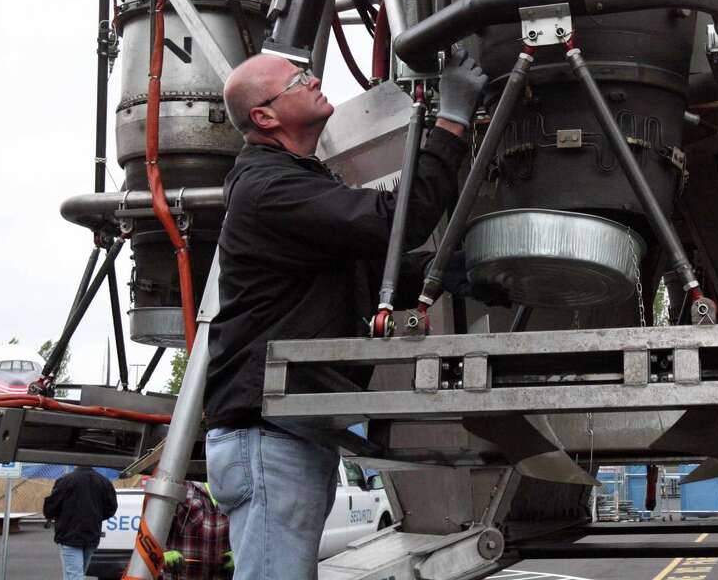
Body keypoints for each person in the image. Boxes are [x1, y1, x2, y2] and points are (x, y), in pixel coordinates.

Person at [204, 49, 486, 578]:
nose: (313, 81)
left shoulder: (295, 180)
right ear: (265, 116)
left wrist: (470, 271)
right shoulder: (270, 188)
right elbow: (394, 222)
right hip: (267, 436)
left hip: (287, 432)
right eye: (299, 80)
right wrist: (450, 122)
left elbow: (375, 267)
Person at [43, 465, 118, 580]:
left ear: (75, 464)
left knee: (74, 575)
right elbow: (111, 507)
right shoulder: (104, 482)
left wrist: (55, 515)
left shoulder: (65, 480)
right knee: (78, 574)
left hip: (69, 534)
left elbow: (51, 507)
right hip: (92, 534)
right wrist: (96, 516)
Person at [162, 481, 233, 579]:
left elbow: (249, 530)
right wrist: (161, 554)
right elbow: (153, 528)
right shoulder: (181, 485)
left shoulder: (235, 489)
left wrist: (241, 556)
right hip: (182, 575)